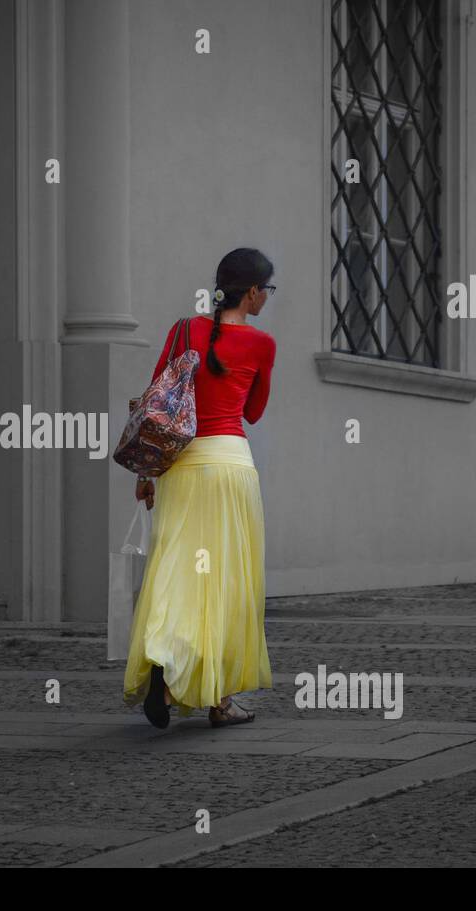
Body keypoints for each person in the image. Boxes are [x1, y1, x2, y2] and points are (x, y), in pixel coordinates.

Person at [122, 247, 277, 729]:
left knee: (176, 573)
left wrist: (147, 474)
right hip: (231, 467)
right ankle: (219, 700)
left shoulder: (183, 331)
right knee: (228, 583)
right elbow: (252, 413)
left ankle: (165, 669)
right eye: (267, 290)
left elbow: (153, 405)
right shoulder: (262, 344)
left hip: (180, 467)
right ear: (252, 293)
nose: (267, 298)